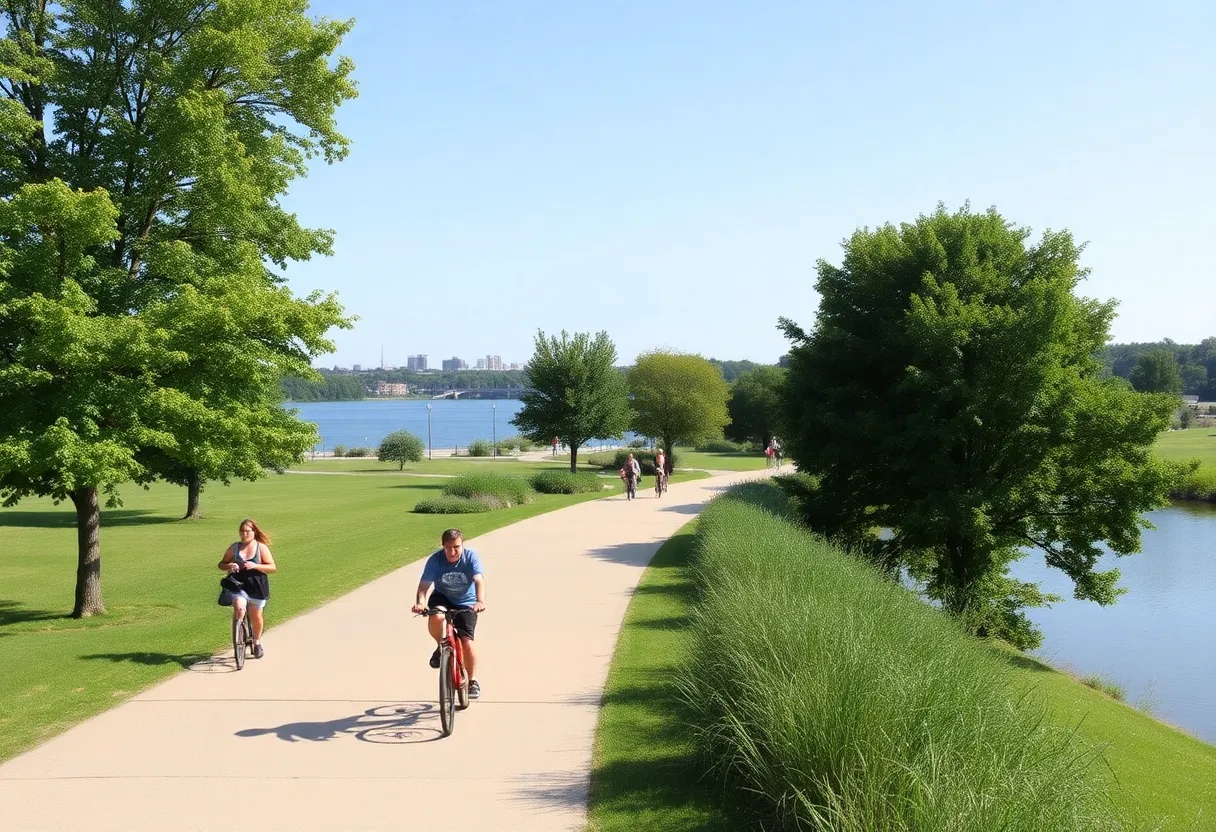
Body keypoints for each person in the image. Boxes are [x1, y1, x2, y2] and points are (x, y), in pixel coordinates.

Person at [411, 528, 486, 699]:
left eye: (457, 547)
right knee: (436, 616)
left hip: (466, 602)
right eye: (448, 548)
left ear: (462, 544)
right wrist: (420, 604)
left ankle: (472, 681)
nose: (453, 552)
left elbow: (479, 580)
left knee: (467, 642)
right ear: (442, 546)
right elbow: (423, 588)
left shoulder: (471, 557)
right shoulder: (435, 560)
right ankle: (441, 646)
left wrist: (480, 601)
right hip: (442, 597)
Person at [218, 518, 277, 659]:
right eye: (242, 532)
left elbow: (272, 567)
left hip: (257, 586)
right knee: (239, 608)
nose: (244, 534)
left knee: (256, 615)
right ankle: (237, 641)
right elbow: (221, 563)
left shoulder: (261, 547)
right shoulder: (235, 547)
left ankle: (256, 642)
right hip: (238, 584)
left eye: (247, 531)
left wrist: (255, 566)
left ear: (254, 532)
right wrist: (229, 566)